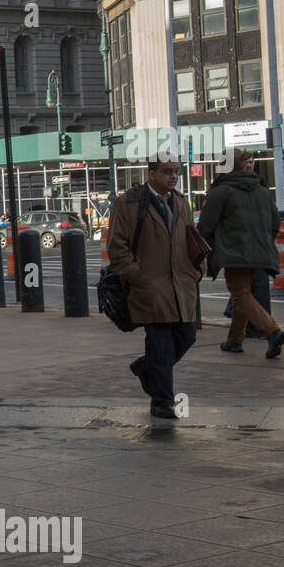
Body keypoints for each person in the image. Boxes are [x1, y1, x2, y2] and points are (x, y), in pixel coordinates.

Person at [107, 154, 203, 420]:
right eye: (167, 171)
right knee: (160, 344)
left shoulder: (181, 202)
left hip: (180, 283)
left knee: (187, 335)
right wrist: (134, 274)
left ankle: (146, 368)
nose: (173, 176)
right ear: (151, 174)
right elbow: (117, 245)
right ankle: (162, 401)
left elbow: (190, 237)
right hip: (149, 285)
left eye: (176, 171)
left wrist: (197, 269)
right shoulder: (129, 203)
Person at [198, 155, 284, 358]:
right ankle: (235, 340)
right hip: (259, 251)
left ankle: (272, 331)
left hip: (234, 252)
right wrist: (263, 242)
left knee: (240, 294)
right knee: (242, 293)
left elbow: (205, 226)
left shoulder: (220, 192)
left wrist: (204, 248)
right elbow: (275, 223)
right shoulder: (262, 190)